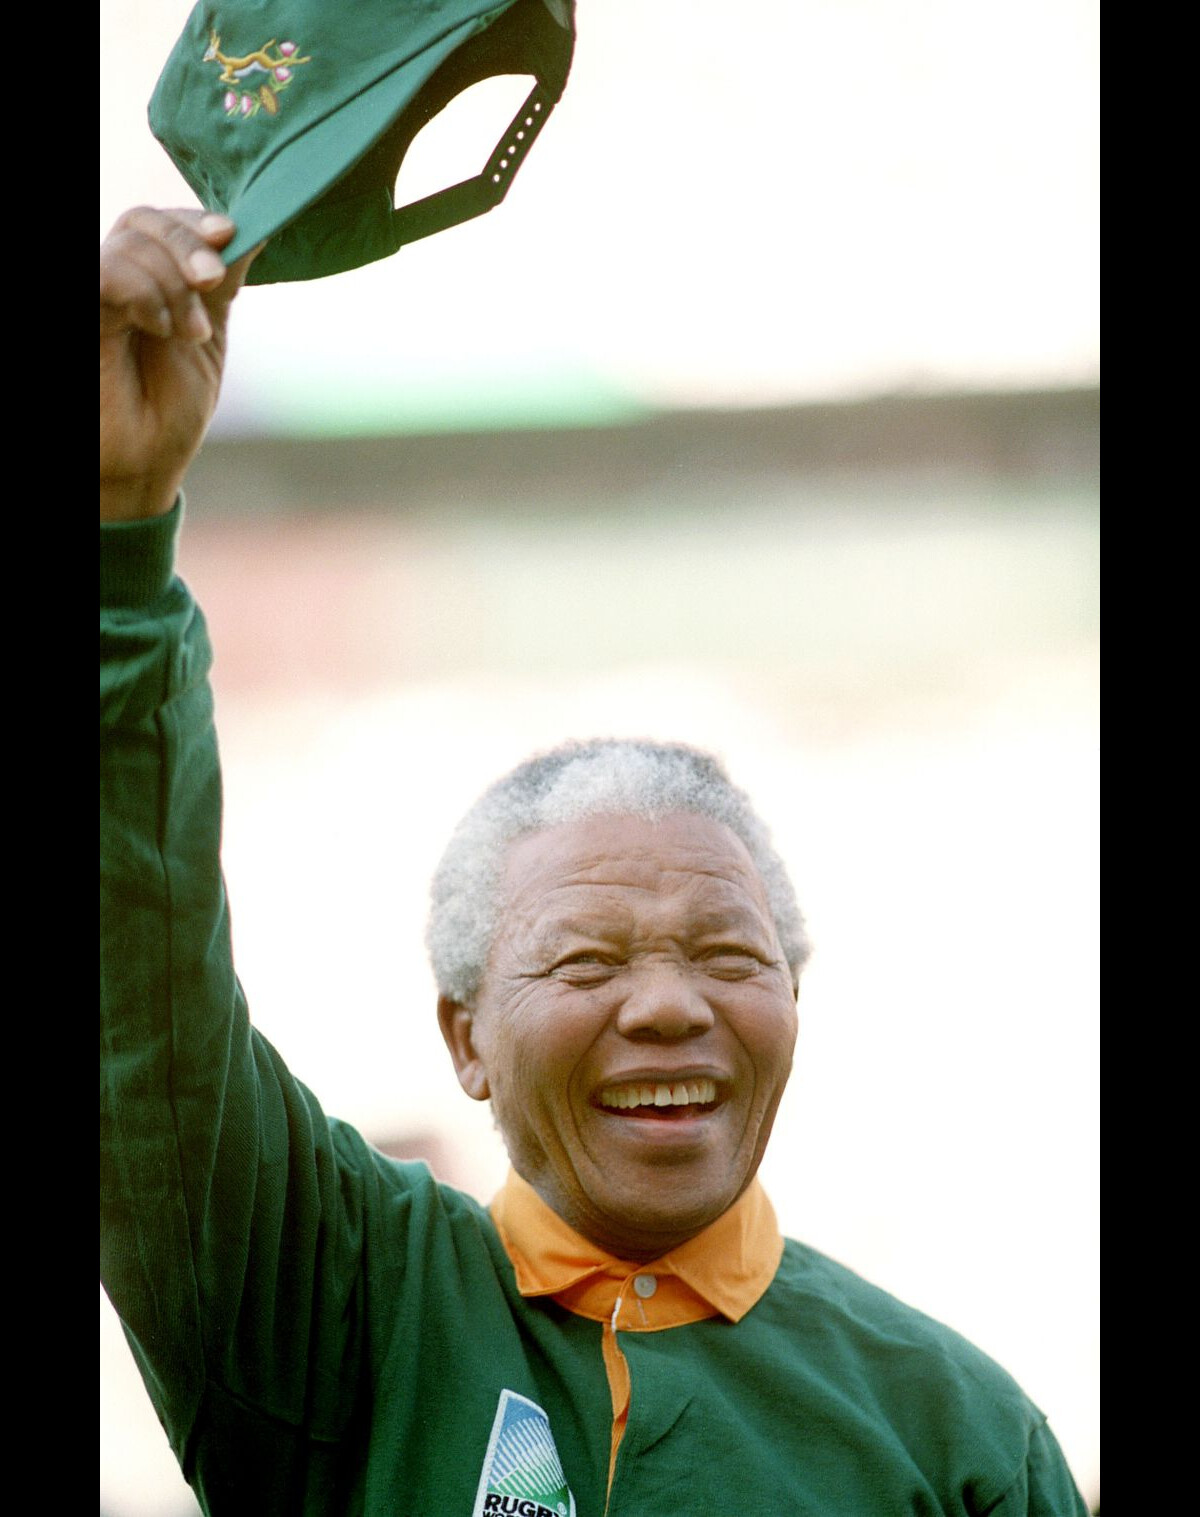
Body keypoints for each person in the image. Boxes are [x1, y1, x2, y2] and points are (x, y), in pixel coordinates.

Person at [100, 207, 1090, 1517]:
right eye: (589, 959)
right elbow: (143, 1003)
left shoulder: (954, 1427)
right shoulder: (341, 1298)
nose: (670, 1002)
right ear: (466, 1037)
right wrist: (119, 533)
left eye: (730, 955)